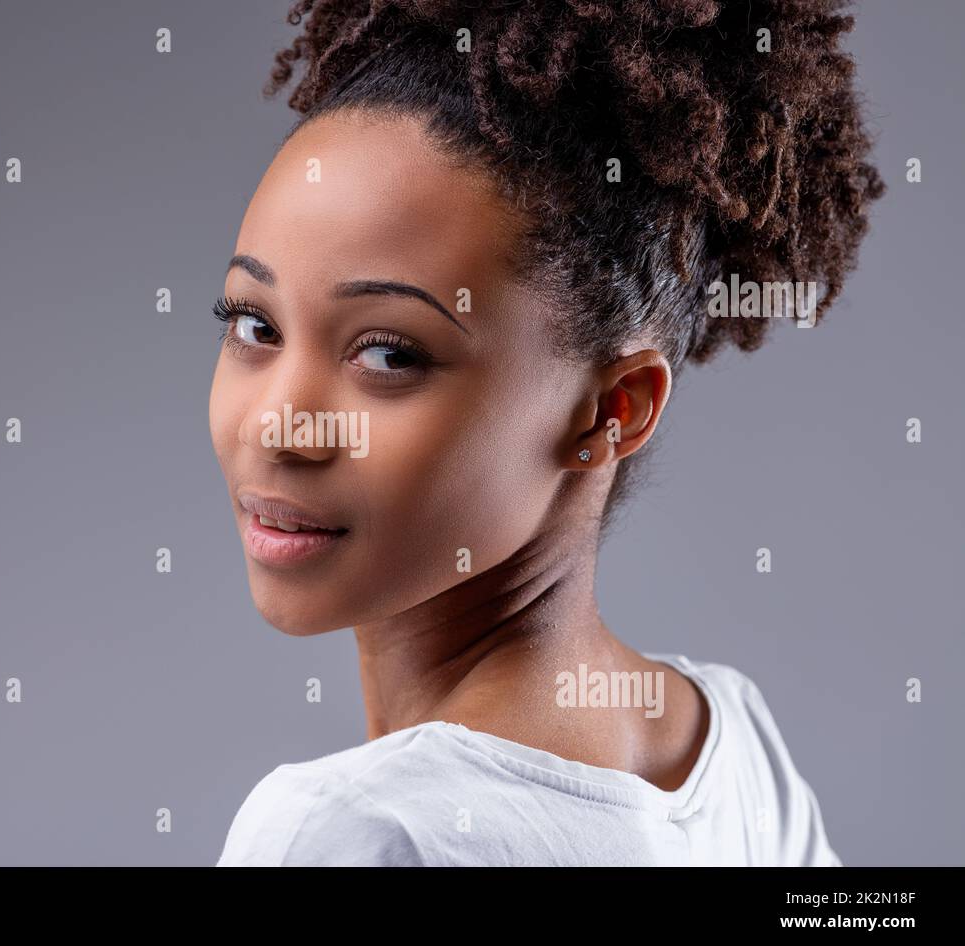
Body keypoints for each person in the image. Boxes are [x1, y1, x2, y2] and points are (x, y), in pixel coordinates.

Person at [208, 0, 882, 865]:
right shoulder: (731, 746)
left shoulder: (353, 831)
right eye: (255, 325)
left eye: (389, 353)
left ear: (612, 409)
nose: (278, 424)